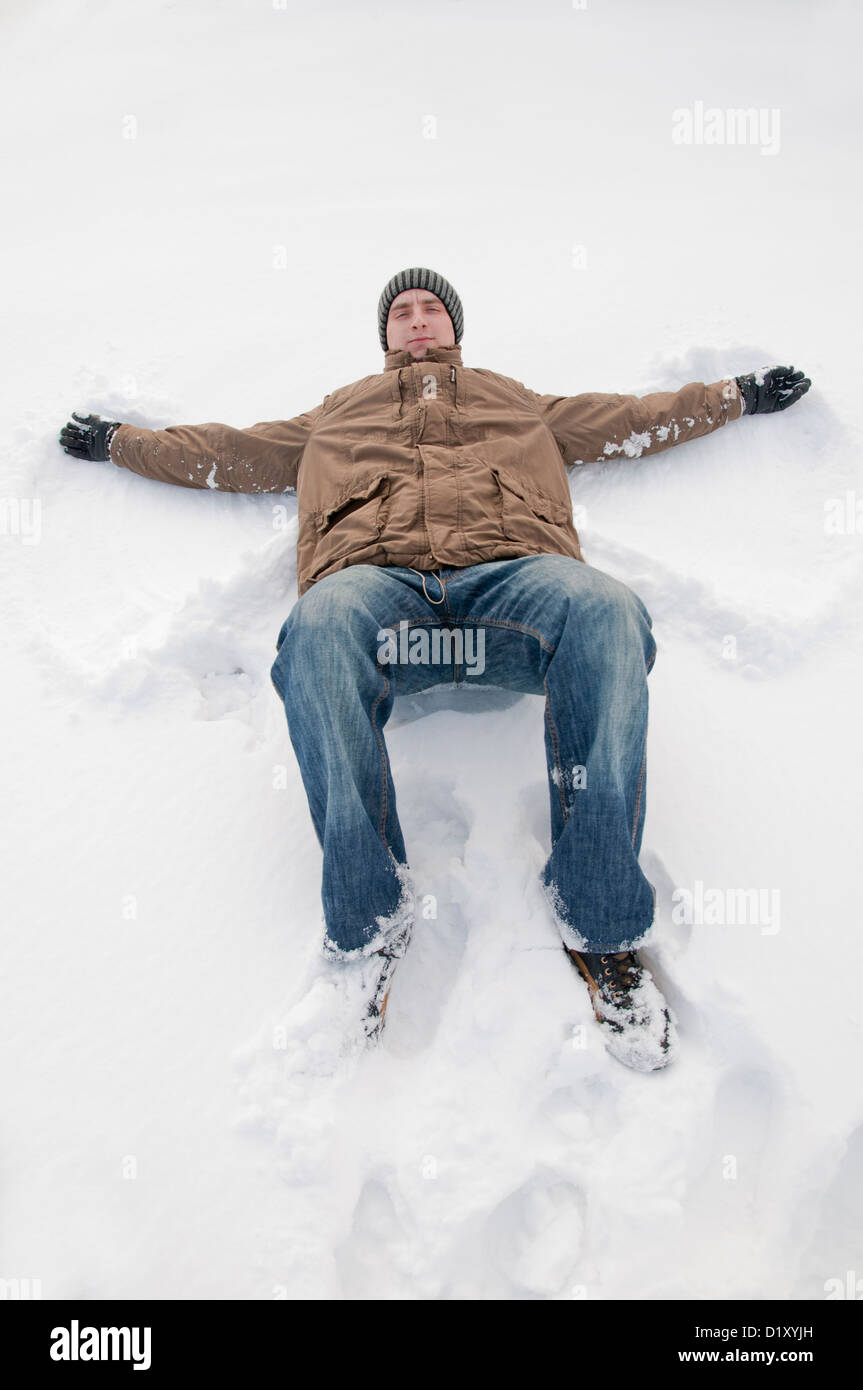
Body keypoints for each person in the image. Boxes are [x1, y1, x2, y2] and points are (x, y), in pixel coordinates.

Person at [59, 267, 811, 1073]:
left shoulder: (517, 402)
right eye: (402, 312)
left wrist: (736, 396)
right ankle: (367, 922)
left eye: (431, 309)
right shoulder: (333, 414)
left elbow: (634, 417)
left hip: (510, 591)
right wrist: (118, 444)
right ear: (385, 334)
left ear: (454, 328)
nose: (417, 320)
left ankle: (599, 923)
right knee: (315, 629)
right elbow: (226, 452)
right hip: (380, 598)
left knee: (604, 609)